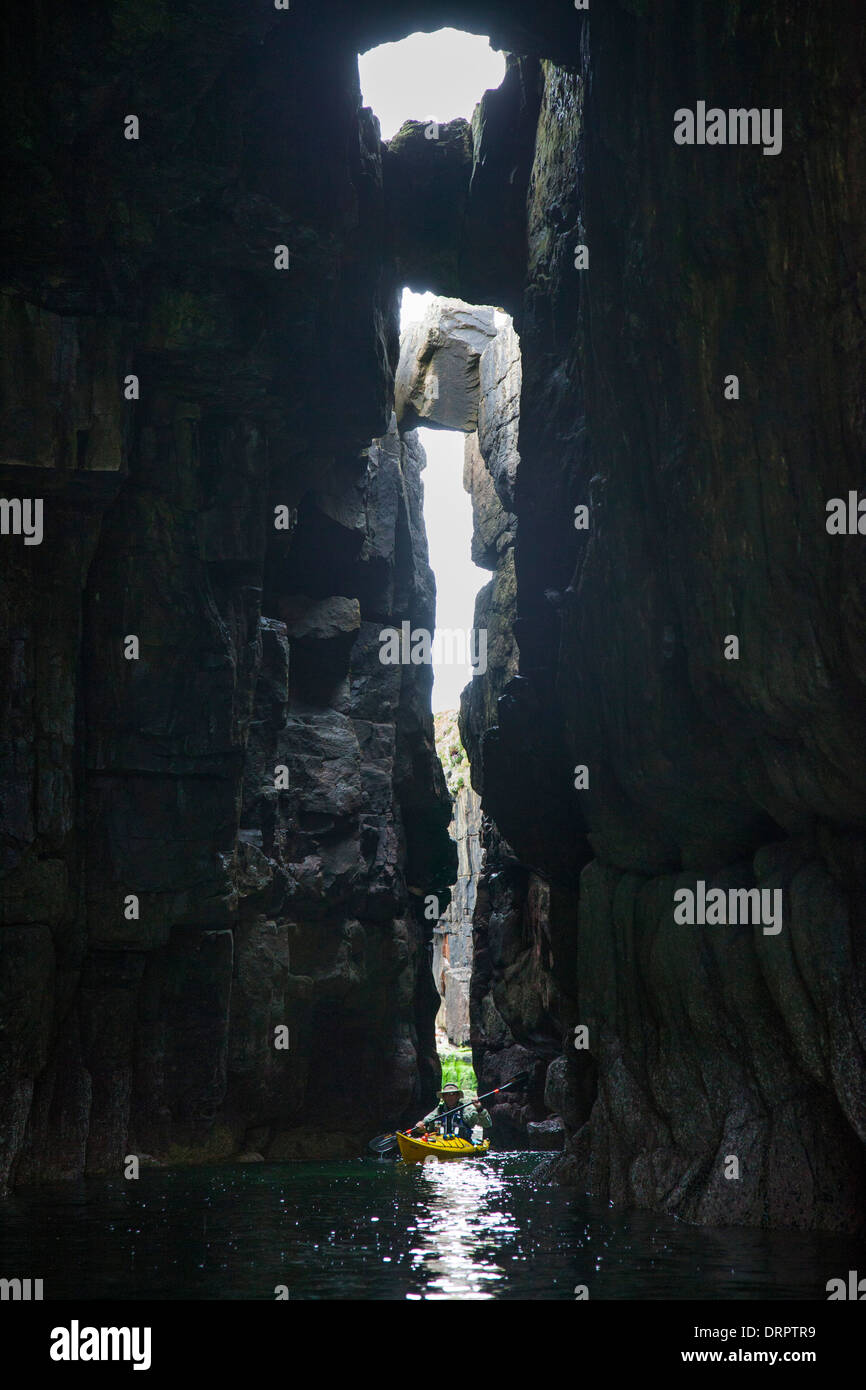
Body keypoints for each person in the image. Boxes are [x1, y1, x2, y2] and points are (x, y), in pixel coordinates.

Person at [410, 1082, 492, 1141]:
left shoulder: (467, 1109)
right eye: (447, 1094)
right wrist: (421, 1126)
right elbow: (427, 1122)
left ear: (457, 1096)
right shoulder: (439, 1110)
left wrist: (479, 1109)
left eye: (453, 1094)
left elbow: (487, 1124)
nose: (450, 1097)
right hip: (441, 1143)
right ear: (443, 1097)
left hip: (462, 1144)